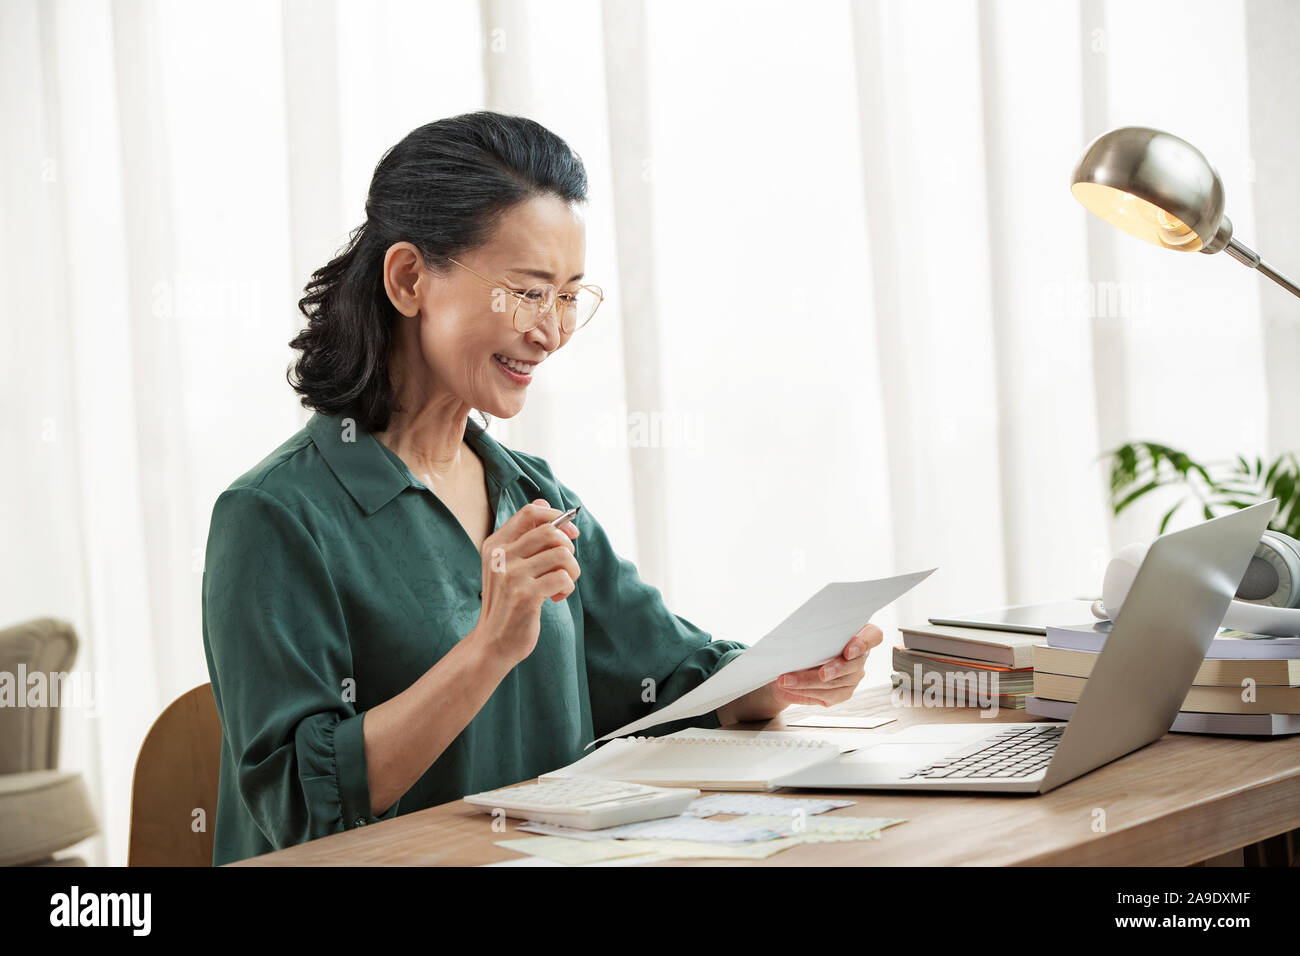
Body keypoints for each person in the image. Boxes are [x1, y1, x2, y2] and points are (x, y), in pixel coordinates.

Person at [200, 111, 883, 865]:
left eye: (568, 298)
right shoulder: (273, 516)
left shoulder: (529, 491)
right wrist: (490, 647)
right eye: (527, 293)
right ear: (407, 279)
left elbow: (669, 678)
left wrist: (786, 675)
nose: (551, 332)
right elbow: (302, 809)